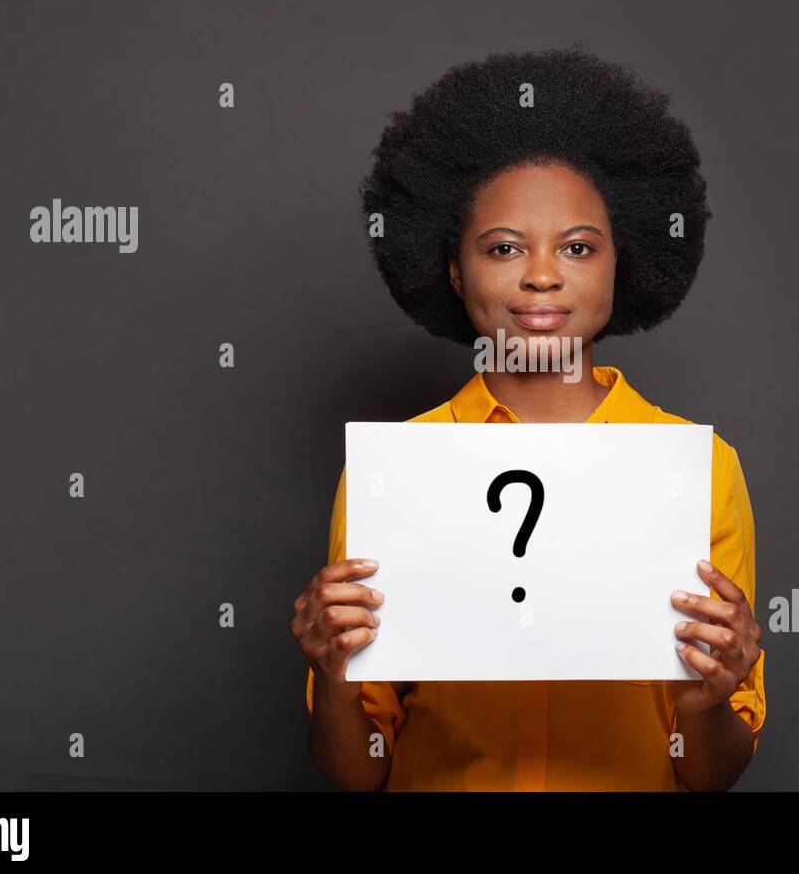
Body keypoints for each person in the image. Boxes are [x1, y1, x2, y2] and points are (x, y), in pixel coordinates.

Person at [290, 45, 766, 791]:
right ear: (454, 267)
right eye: (504, 247)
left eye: (578, 247)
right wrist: (334, 673)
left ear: (621, 262)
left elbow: (711, 775)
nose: (542, 273)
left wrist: (709, 699)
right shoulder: (397, 474)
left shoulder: (699, 470)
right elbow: (359, 774)